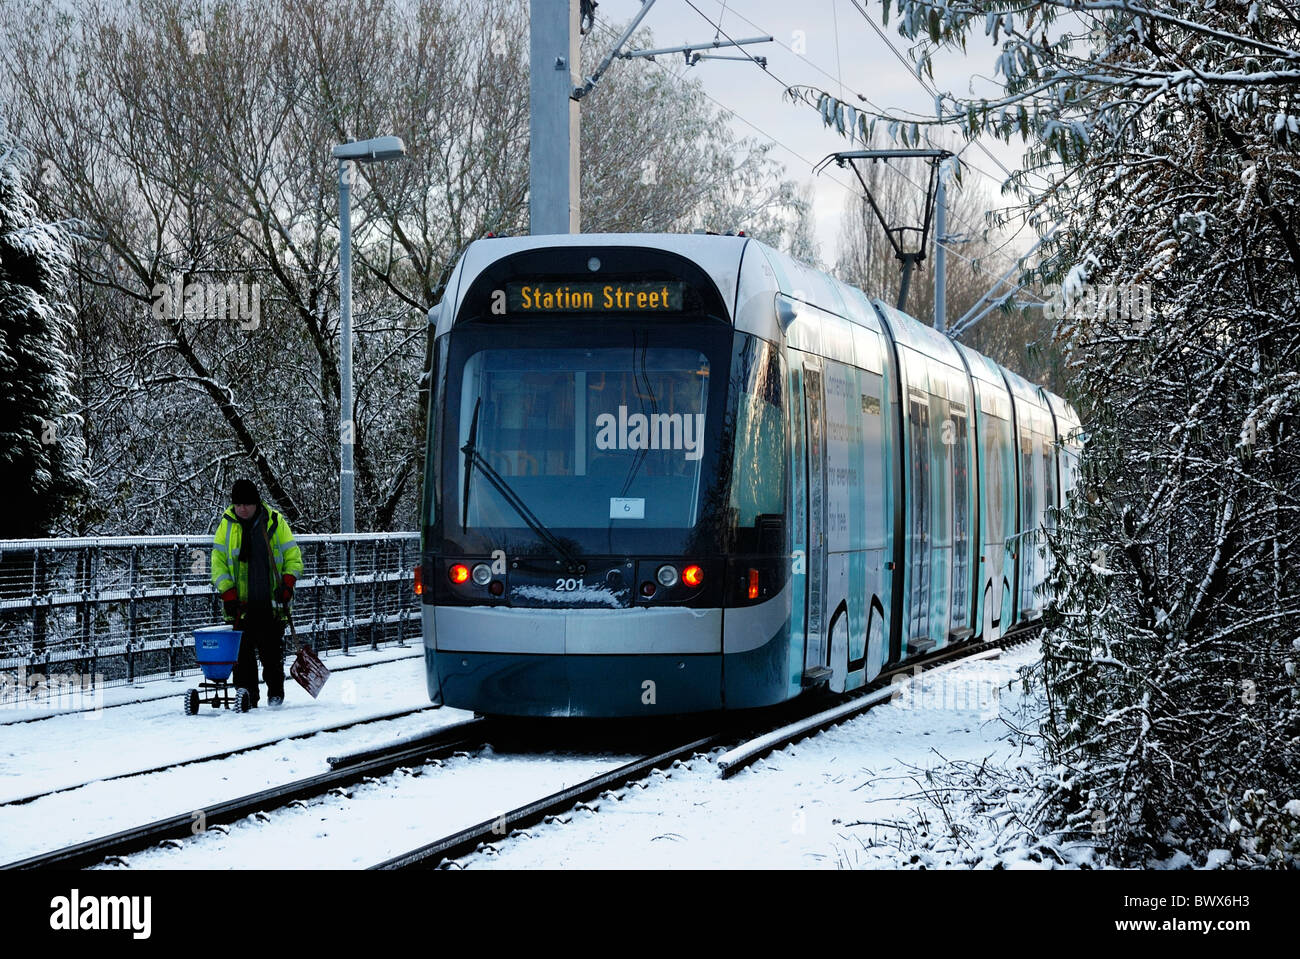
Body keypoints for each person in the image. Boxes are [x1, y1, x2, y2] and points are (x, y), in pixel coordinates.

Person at [210, 479, 304, 709]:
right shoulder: (227, 525)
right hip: (240, 606)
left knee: (271, 654)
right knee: (242, 658)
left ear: (256, 503)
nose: (242, 509)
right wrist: (228, 594)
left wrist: (287, 583)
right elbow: (218, 563)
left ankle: (275, 695)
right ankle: (246, 696)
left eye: (247, 504)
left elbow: (293, 557)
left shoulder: (274, 522)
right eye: (238, 504)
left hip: (270, 604)